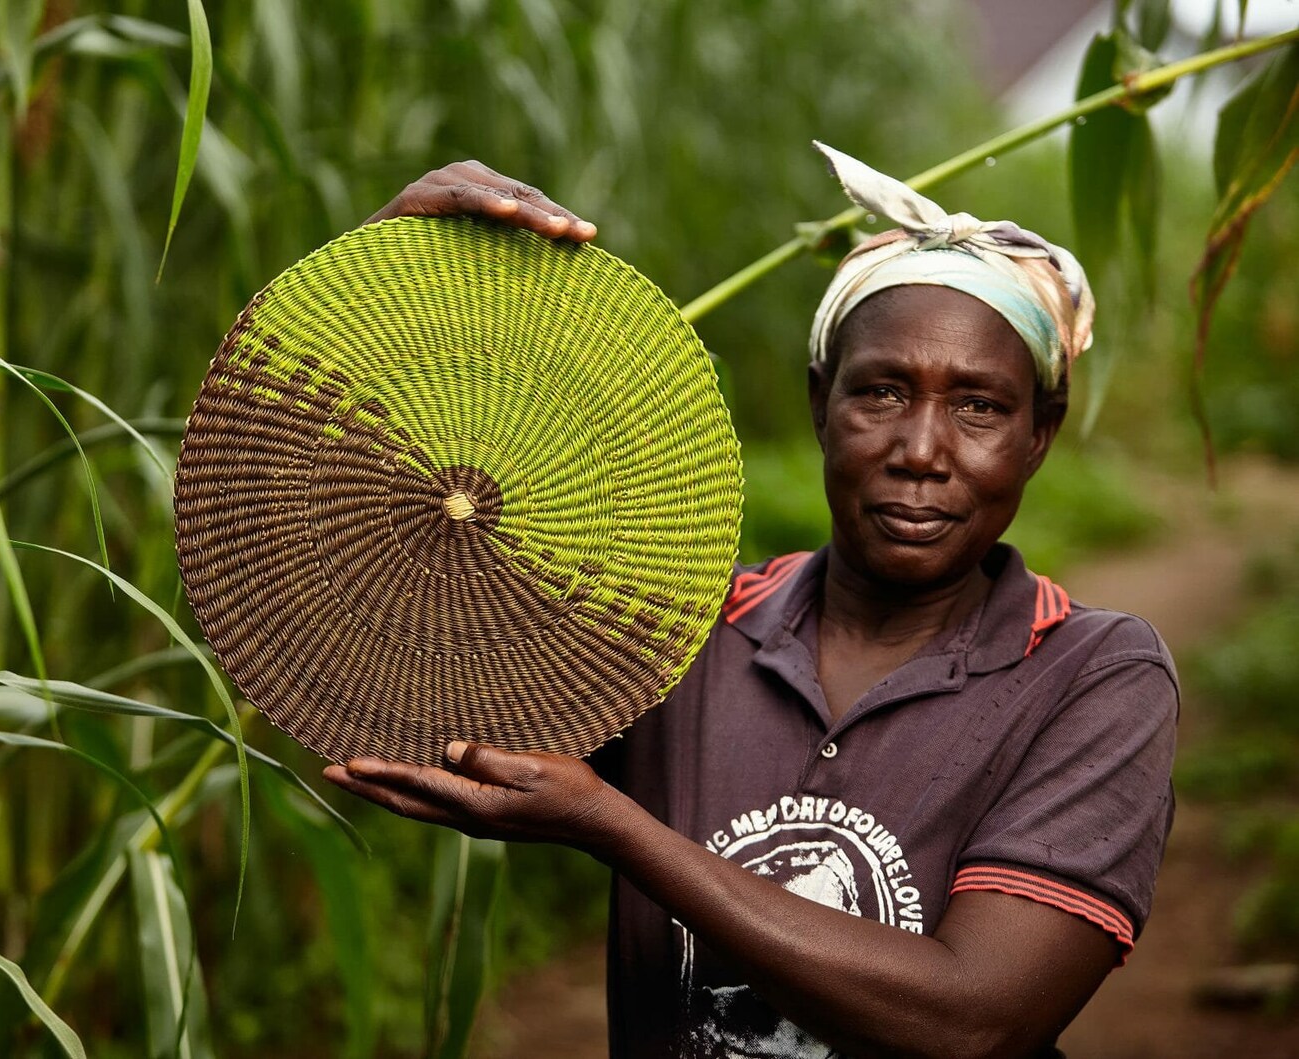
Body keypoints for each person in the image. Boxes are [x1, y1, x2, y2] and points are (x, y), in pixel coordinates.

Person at [326, 146, 1178, 1059]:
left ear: (1039, 435)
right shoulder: (679, 629)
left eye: (979, 407)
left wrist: (613, 826)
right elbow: (390, 682)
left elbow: (976, 1019)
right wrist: (377, 306)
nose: (922, 451)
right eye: (881, 392)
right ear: (820, 403)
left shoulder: (1095, 675)